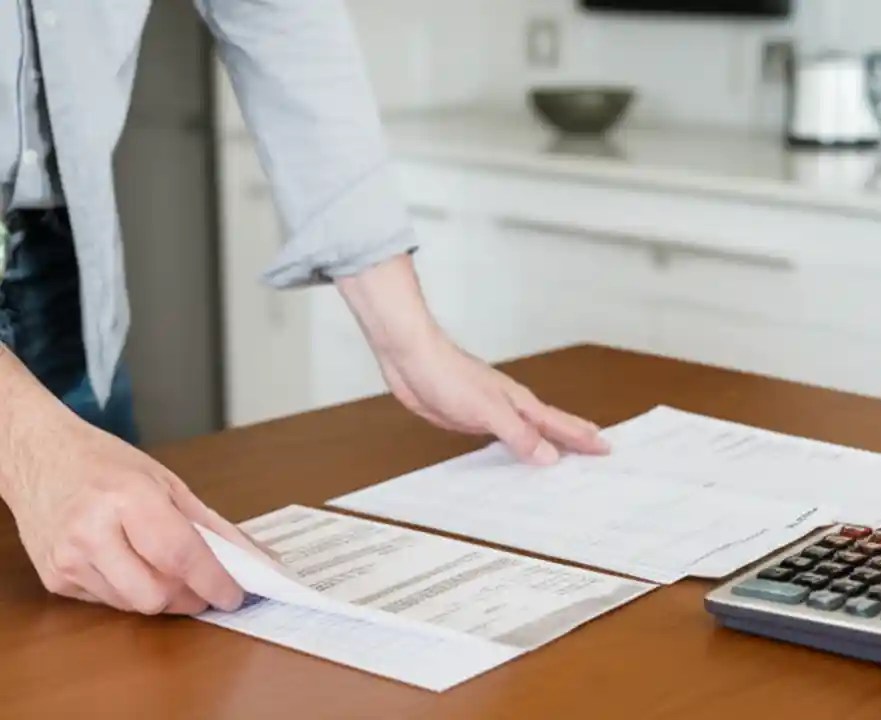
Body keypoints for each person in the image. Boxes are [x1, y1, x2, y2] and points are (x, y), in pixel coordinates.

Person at [0, 1, 608, 617]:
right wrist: (26, 443)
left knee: (125, 640)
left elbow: (280, 16)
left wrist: (410, 338)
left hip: (60, 278)